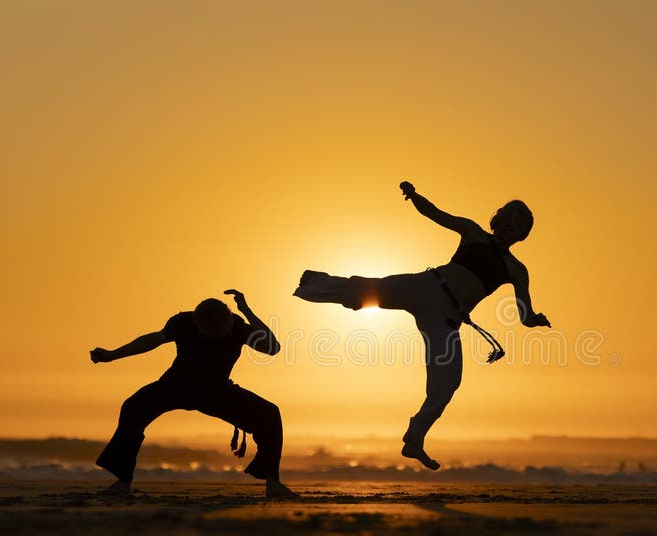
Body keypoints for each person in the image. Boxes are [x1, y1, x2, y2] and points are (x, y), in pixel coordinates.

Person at [294, 181, 551, 470]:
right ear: (499, 220)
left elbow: (524, 314)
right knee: (371, 291)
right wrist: (414, 196)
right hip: (428, 286)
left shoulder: (517, 270)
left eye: (518, 226)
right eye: (508, 220)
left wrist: (536, 320)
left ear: (523, 234)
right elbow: (434, 213)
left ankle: (414, 438)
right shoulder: (472, 231)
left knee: (448, 383)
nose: (510, 228)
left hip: (446, 319)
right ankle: (314, 283)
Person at [90, 289, 297, 498]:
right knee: (133, 407)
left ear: (228, 324)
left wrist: (246, 310)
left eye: (220, 331)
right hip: (176, 385)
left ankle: (273, 482)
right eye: (209, 331)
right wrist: (112, 355)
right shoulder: (182, 323)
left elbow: (273, 348)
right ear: (198, 324)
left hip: (216, 390)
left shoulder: (238, 327)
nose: (215, 335)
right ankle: (122, 482)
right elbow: (151, 340)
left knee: (269, 414)